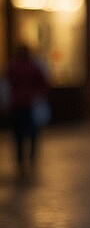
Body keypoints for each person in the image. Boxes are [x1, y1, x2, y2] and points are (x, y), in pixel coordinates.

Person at [6, 44, 49, 173]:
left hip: (18, 104)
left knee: (18, 133)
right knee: (32, 132)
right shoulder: (33, 67)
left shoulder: (13, 66)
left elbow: (8, 83)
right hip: (29, 103)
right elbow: (43, 83)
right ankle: (31, 156)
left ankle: (20, 159)